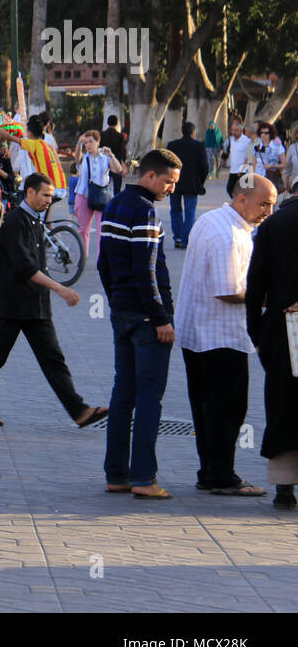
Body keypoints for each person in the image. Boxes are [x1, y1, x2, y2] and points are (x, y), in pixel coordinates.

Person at [0, 173, 108, 428]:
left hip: (37, 307)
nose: (49, 200)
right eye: (45, 195)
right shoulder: (14, 221)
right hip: (15, 306)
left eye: (51, 196)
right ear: (30, 192)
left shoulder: (35, 221)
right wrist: (61, 289)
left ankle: (79, 411)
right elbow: (26, 267)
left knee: (54, 360)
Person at [179, 174, 275, 497]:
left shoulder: (212, 220)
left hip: (198, 334)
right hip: (220, 336)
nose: (268, 212)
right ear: (241, 199)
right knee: (227, 410)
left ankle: (210, 472)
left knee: (206, 408)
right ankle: (221, 476)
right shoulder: (229, 235)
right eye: (264, 204)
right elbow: (229, 290)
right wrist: (269, 298)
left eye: (272, 205)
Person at [98, 148, 182, 499]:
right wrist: (160, 318)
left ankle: (116, 475)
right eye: (168, 181)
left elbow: (103, 264)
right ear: (150, 175)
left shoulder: (115, 204)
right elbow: (145, 270)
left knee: (123, 395)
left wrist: (116, 299)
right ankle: (144, 478)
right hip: (148, 319)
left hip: (122, 313)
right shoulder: (146, 212)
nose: (171, 189)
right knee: (149, 399)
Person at [246, 184, 298, 510]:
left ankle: (284, 487)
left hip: (279, 330)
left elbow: (255, 286)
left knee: (283, 403)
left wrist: (257, 333)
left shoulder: (271, 225)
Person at [73, 130, 124, 259]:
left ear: (98, 142)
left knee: (103, 231)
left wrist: (111, 155)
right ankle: (83, 257)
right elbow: (77, 158)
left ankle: (102, 259)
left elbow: (118, 170)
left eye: (91, 142)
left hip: (102, 197)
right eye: (86, 143)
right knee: (83, 230)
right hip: (84, 195)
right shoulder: (84, 158)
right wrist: (79, 143)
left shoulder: (105, 157)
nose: (88, 145)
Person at [165, 121, 211, 248]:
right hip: (192, 184)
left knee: (175, 210)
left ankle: (178, 238)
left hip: (174, 183)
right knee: (190, 212)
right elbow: (204, 167)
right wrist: (200, 182)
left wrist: (168, 182)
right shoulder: (199, 146)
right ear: (193, 132)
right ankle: (186, 240)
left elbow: (167, 164)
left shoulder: (172, 145)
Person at [225, 118, 254, 197]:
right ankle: (237, 205)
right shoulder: (231, 140)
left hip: (242, 171)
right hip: (233, 170)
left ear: (241, 131)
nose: (233, 132)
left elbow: (249, 156)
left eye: (236, 130)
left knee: (242, 191)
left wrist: (242, 169)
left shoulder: (246, 141)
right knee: (229, 189)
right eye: (232, 130)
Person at [100, 115, 128, 193]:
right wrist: (123, 164)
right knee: (117, 188)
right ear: (116, 123)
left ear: (107, 123)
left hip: (104, 162)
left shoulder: (102, 135)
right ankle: (116, 203)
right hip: (116, 163)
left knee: (104, 185)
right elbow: (122, 151)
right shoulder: (120, 136)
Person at [255, 124, 284, 190]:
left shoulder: (278, 147)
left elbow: (284, 164)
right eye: (261, 132)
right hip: (259, 179)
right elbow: (253, 164)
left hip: (271, 180)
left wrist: (271, 166)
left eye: (266, 133)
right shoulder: (257, 147)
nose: (263, 135)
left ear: (271, 134)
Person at [284, 127, 298, 194]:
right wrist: (287, 182)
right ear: (296, 135)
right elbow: (288, 166)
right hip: (295, 182)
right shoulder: (292, 148)